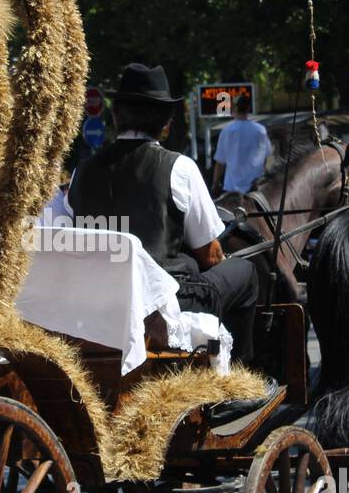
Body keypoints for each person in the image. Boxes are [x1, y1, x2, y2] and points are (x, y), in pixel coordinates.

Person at [68, 63, 259, 365]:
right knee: (246, 273)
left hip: (98, 297)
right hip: (164, 302)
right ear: (167, 124)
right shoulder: (179, 168)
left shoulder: (82, 171)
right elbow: (210, 256)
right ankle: (237, 376)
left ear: (115, 116)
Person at [210, 94, 271, 195]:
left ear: (234, 108)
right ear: (248, 108)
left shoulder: (226, 131)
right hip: (256, 189)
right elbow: (266, 159)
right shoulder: (260, 130)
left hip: (232, 191)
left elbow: (220, 163)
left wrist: (215, 183)